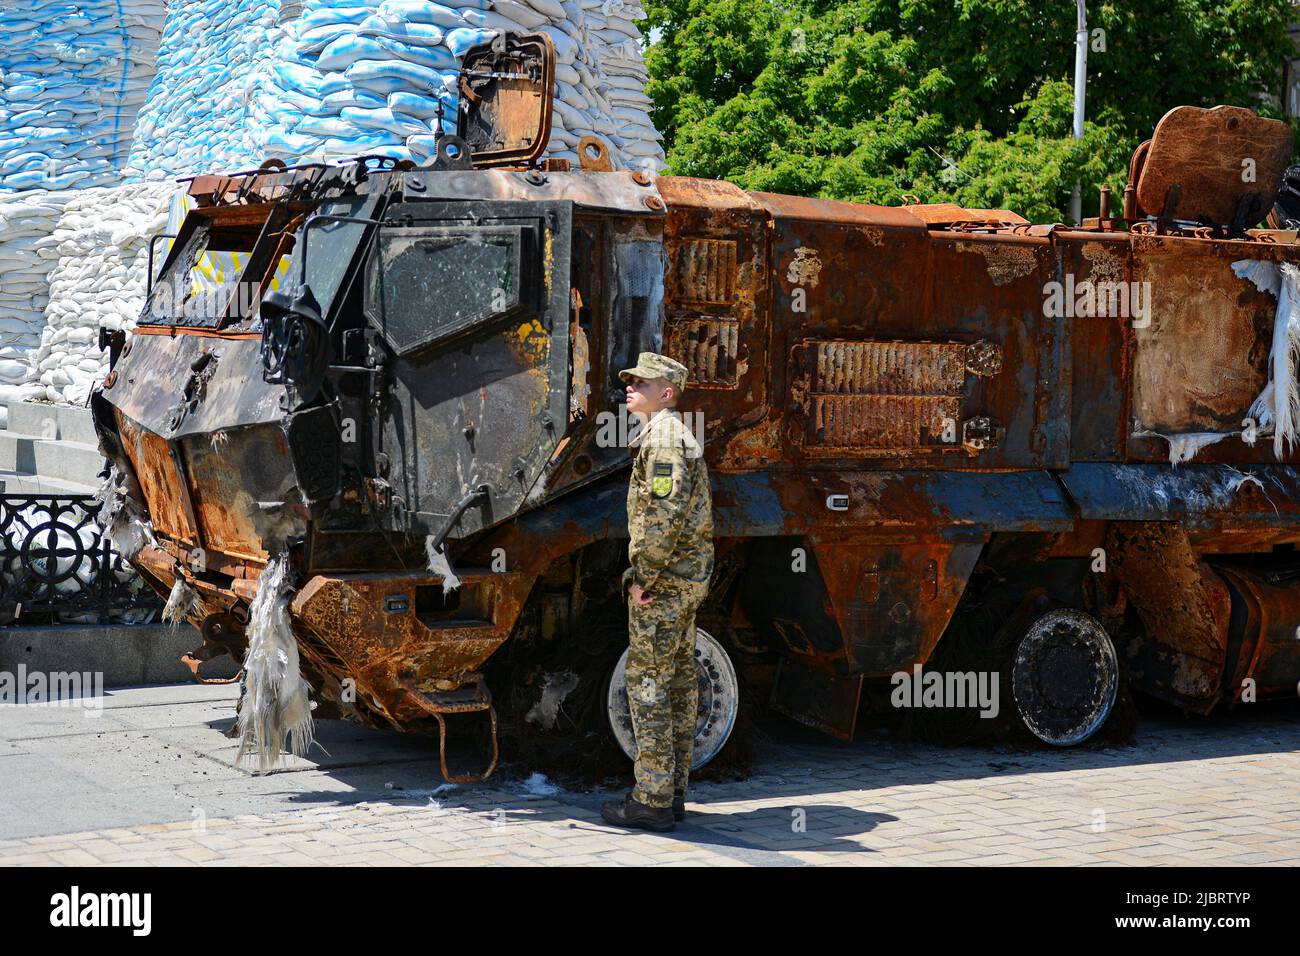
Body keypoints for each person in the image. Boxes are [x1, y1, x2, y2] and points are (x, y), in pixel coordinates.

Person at [601, 352, 714, 833]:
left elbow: (662, 520)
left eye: (642, 384)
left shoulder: (665, 440)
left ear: (666, 392)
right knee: (679, 684)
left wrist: (642, 577)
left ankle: (650, 799)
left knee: (648, 685)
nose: (630, 388)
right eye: (630, 382)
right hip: (685, 579)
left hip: (664, 583)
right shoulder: (669, 435)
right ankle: (673, 793)